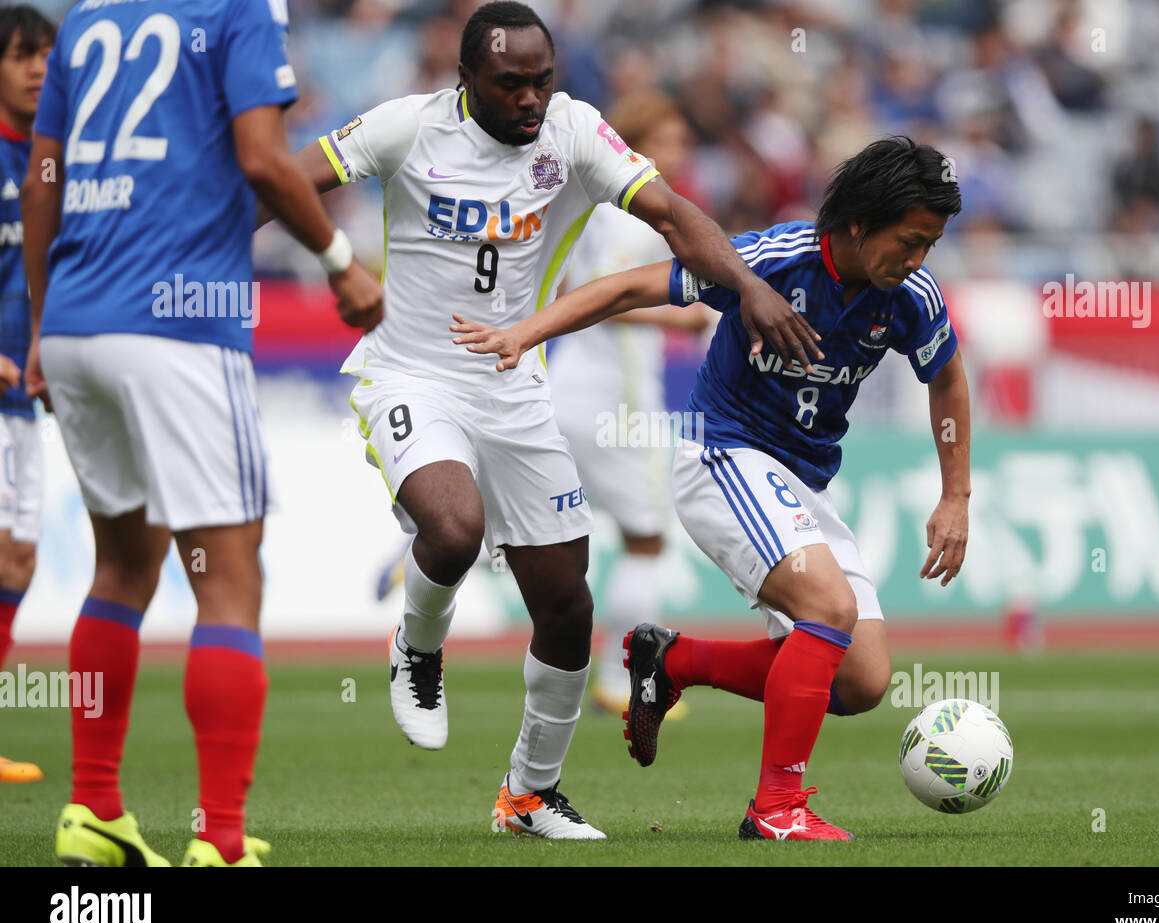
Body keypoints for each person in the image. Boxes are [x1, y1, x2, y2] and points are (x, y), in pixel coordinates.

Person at [278, 0, 817, 839]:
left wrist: (747, 286)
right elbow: (283, 179)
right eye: (510, 85)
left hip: (514, 384)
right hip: (409, 373)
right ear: (465, 81)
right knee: (454, 531)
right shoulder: (403, 128)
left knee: (566, 607)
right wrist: (324, 260)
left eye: (542, 81)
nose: (530, 100)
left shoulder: (574, 133)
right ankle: (418, 647)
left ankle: (530, 795)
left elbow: (671, 214)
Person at [453, 135, 970, 841]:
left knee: (863, 681)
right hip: (722, 455)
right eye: (909, 241)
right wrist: (524, 334)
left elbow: (945, 376)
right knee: (828, 605)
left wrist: (955, 496)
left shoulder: (909, 296)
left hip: (801, 481)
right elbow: (629, 286)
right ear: (857, 223)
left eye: (928, 247)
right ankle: (777, 809)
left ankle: (674, 660)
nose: (916, 261)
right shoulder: (768, 264)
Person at [24, 0, 382, 865]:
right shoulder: (239, 6)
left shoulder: (87, 18)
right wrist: (342, 263)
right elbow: (262, 158)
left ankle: (94, 810)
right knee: (228, 580)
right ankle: (221, 840)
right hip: (178, 322)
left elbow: (44, 174)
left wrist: (39, 326)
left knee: (122, 566)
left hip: (76, 322)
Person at [544, 89, 712, 715]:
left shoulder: (589, 207)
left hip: (564, 389)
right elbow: (601, 295)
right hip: (617, 405)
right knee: (645, 539)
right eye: (668, 140)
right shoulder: (627, 214)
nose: (679, 151)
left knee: (550, 535)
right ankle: (628, 682)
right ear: (638, 143)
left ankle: (437, 561)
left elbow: (563, 284)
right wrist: (682, 319)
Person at [0, 4, 50, 788]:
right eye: (20, 56)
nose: (38, 68)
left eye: (46, 56)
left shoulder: (52, 160)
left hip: (25, 397)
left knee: (18, 557)